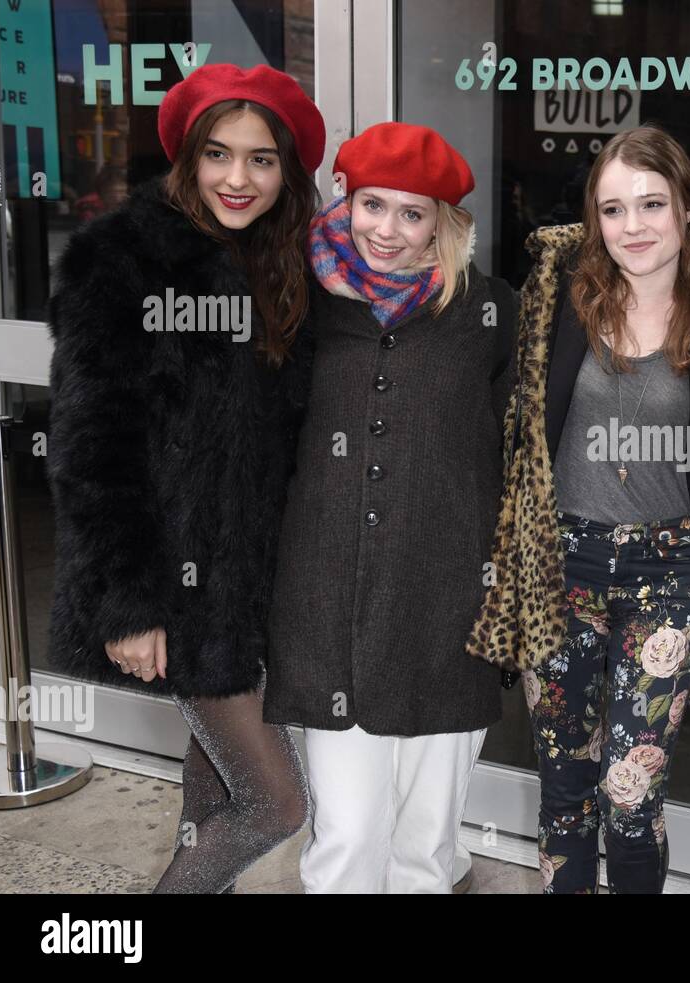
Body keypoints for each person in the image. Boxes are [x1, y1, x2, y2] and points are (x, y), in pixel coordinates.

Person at [46, 63, 325, 893]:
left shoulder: (280, 267)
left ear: (287, 172)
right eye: (218, 154)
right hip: (174, 589)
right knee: (276, 805)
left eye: (262, 160)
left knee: (216, 796)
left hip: (250, 585)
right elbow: (91, 446)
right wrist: (129, 602)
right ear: (187, 159)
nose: (238, 178)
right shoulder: (121, 262)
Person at [468, 125, 690, 893]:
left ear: (688, 209)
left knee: (631, 795)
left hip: (666, 575)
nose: (634, 227)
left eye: (652, 203)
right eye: (614, 208)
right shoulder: (558, 297)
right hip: (563, 567)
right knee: (564, 794)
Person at [262, 122, 516, 893]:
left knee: (427, 845)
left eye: (413, 213)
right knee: (345, 835)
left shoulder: (491, 314)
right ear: (345, 198)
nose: (388, 231)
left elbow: (520, 461)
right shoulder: (295, 306)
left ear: (444, 224)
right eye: (374, 205)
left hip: (449, 610)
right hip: (326, 604)